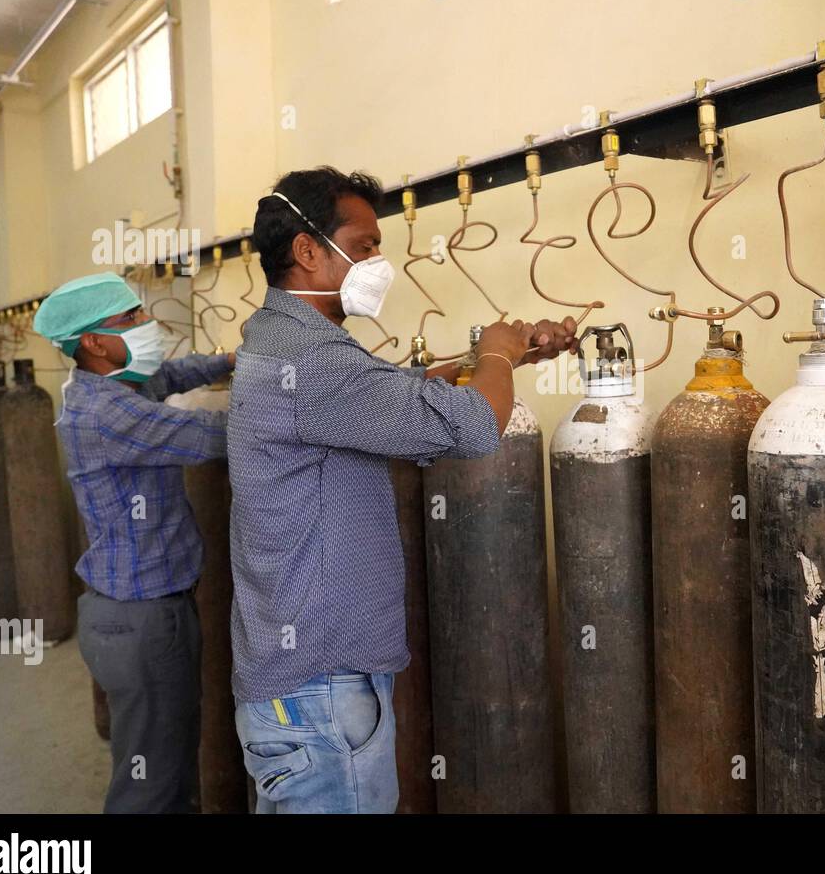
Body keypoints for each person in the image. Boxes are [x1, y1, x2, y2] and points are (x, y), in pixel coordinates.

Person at [229, 166, 576, 813]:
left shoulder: (285, 342)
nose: (379, 262)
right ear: (307, 251)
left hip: (306, 676)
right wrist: (496, 354)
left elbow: (387, 395)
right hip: (321, 689)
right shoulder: (312, 361)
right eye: (364, 246)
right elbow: (473, 429)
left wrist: (493, 359)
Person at [33, 272, 234, 813]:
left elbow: (169, 374)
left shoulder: (109, 384)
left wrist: (231, 360)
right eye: (131, 319)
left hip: (139, 610)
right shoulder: (108, 413)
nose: (148, 324)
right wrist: (319, 400)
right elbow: (214, 438)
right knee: (150, 787)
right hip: (143, 620)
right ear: (95, 342)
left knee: (167, 764)